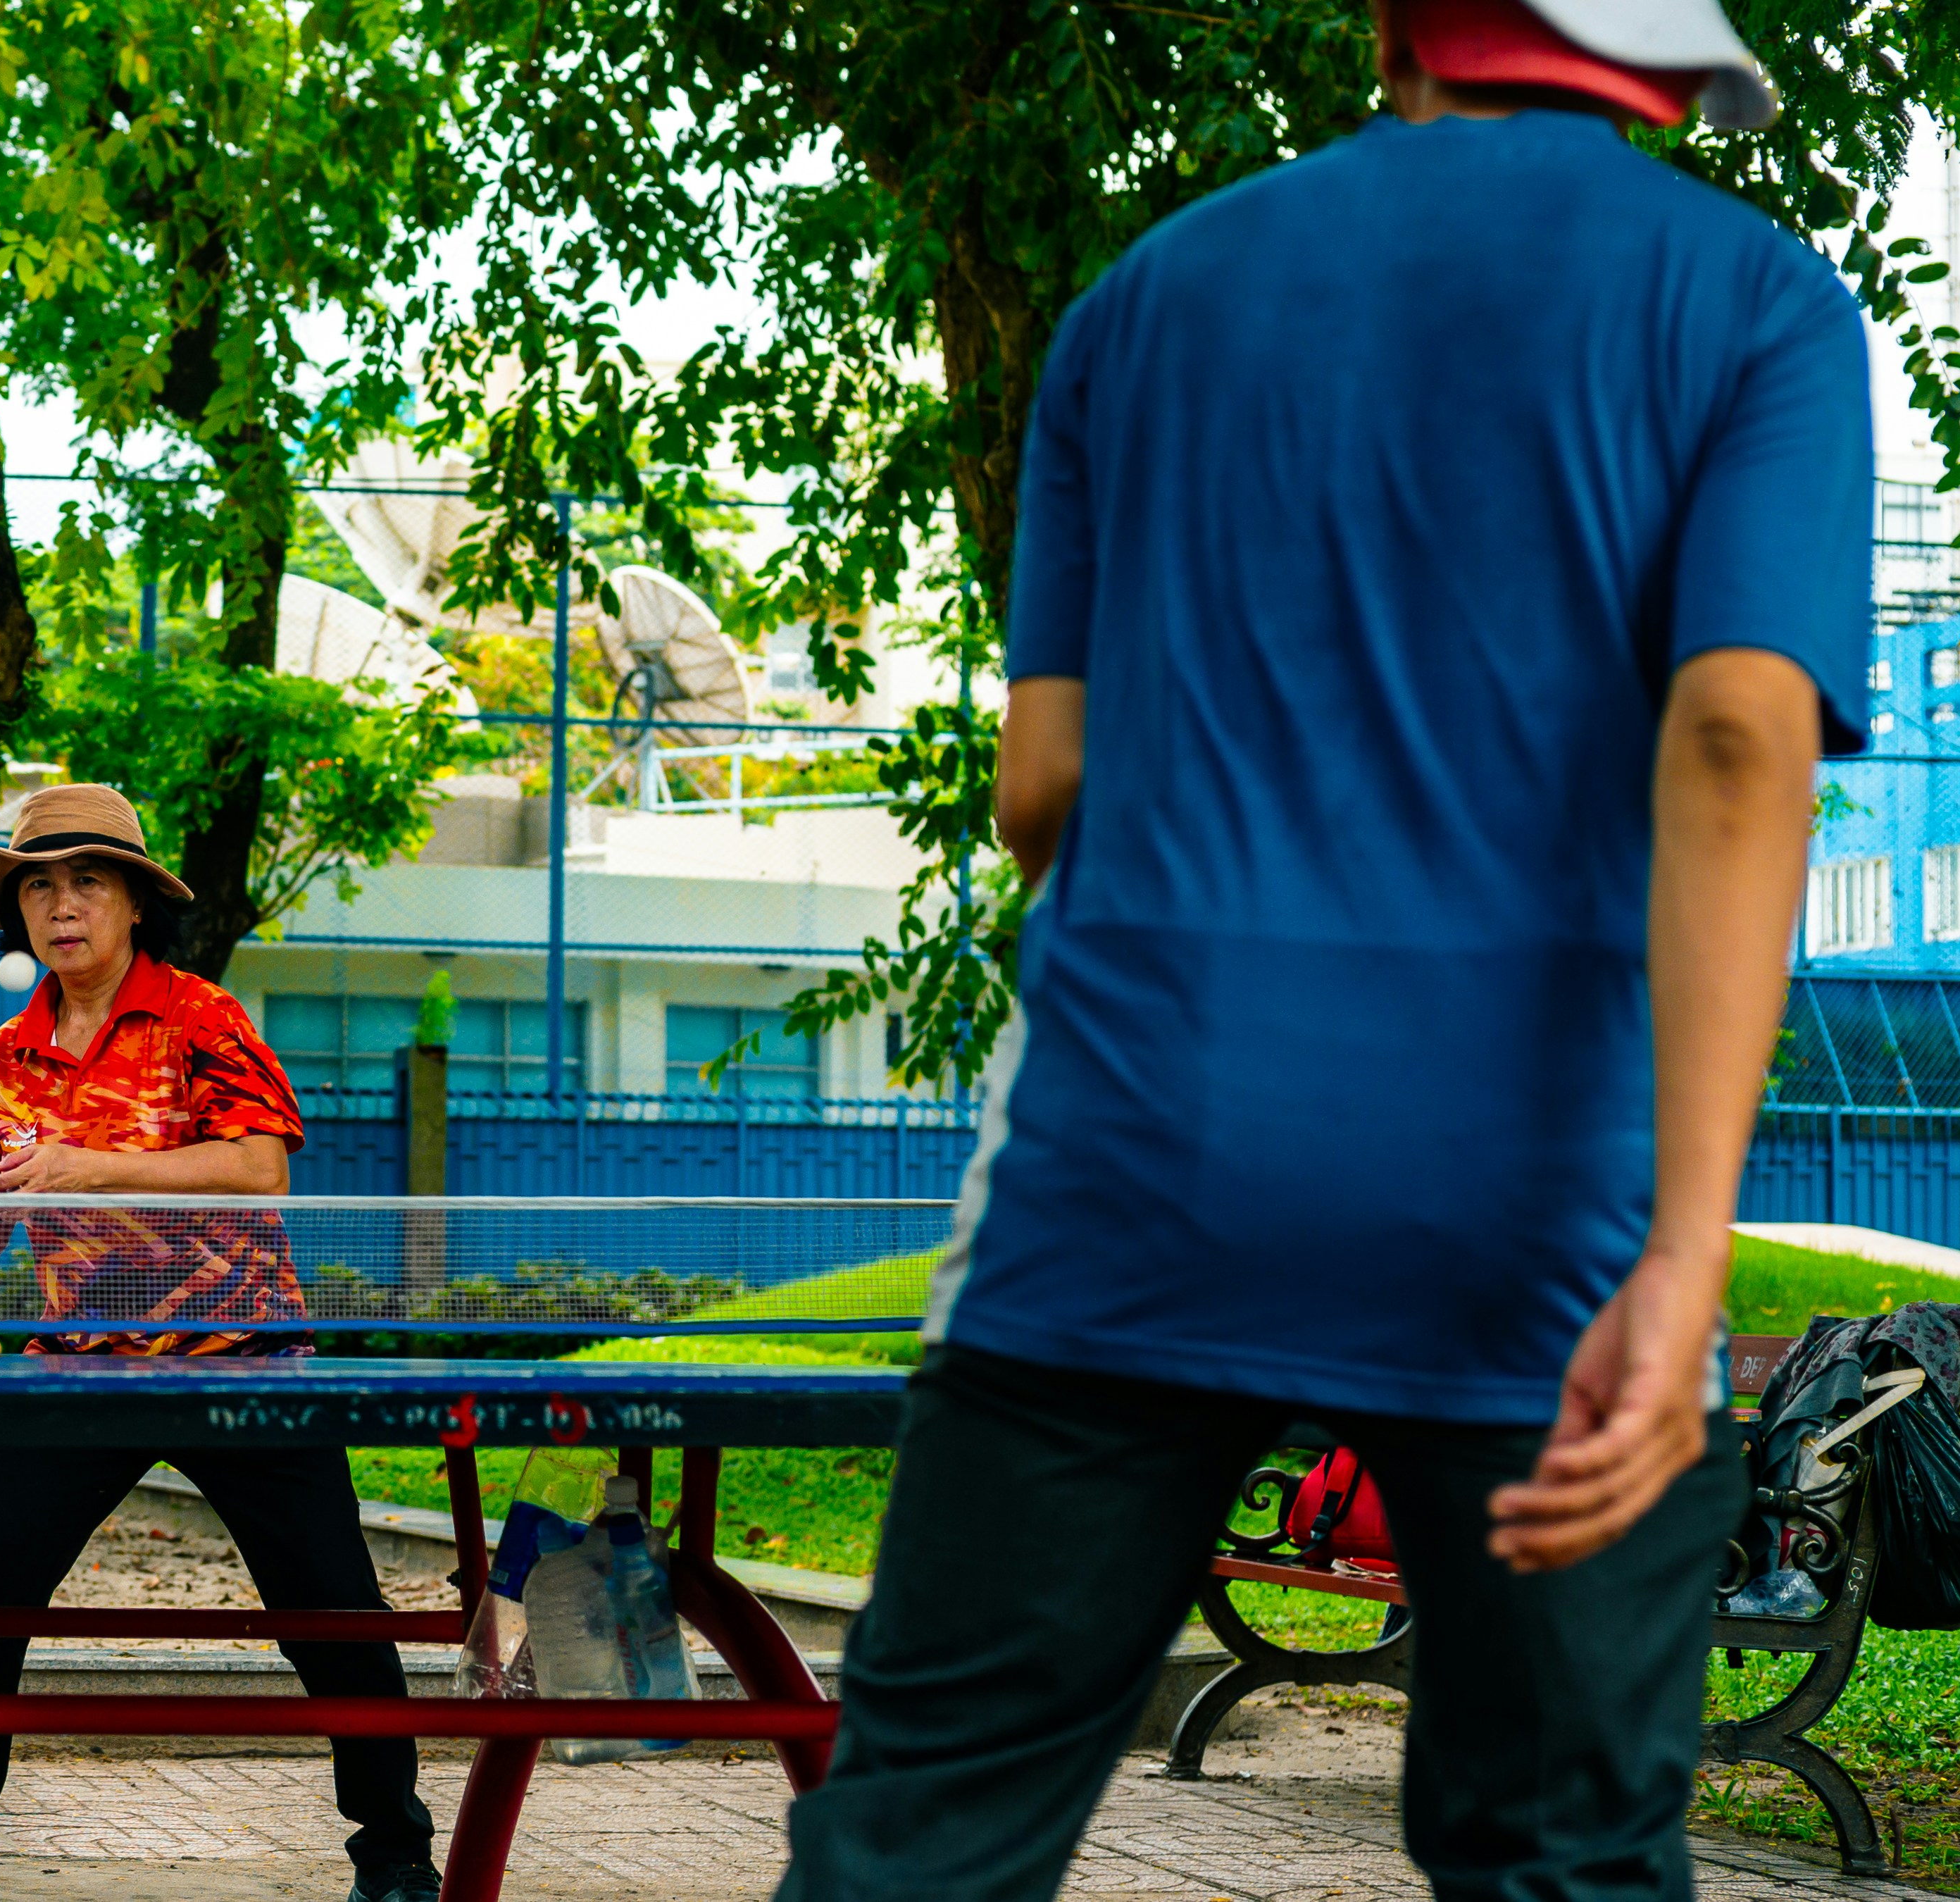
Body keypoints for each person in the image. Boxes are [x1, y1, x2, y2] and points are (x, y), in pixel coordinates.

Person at [779, 2, 1868, 1896]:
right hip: (1540, 1226)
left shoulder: (1148, 296)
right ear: (1667, 72)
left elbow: (1045, 783)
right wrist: (1690, 1257)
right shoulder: (1757, 305)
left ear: (1397, 27)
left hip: (1128, 1172)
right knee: (1562, 1857)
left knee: (919, 1833)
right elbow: (1734, 735)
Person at [0, 783, 441, 1902]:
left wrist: (88, 1165)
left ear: (131, 903)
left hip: (242, 1367)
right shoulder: (7, 1058)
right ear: (19, 913)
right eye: (41, 886)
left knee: (338, 1623)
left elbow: (260, 1168)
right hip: (74, 1374)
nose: (63, 905)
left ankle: (397, 1858)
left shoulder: (203, 1018)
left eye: (87, 882)